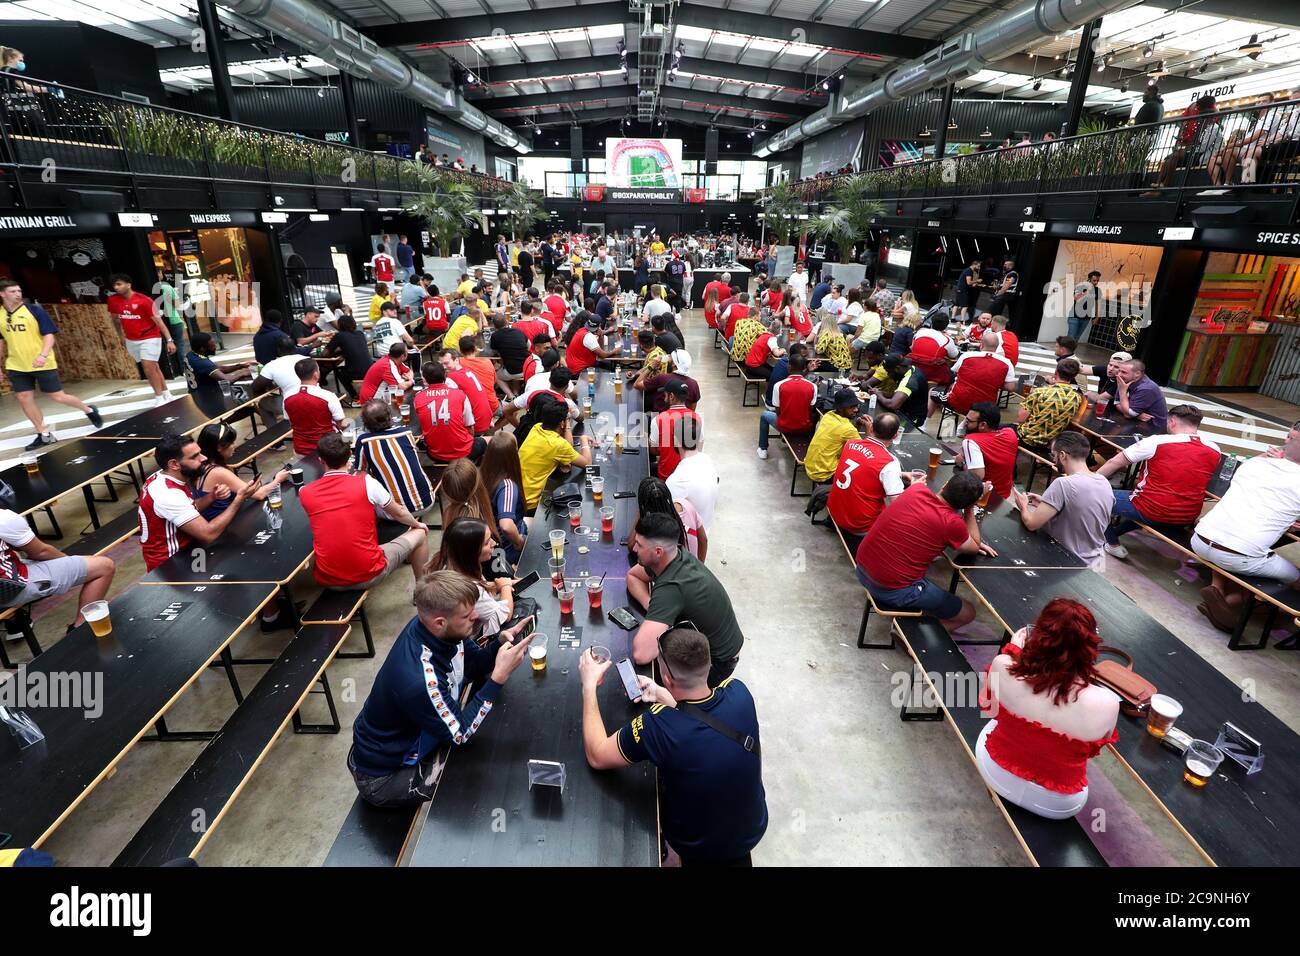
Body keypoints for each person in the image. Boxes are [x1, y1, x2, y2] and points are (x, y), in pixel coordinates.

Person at [579, 628, 767, 866]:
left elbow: (597, 754)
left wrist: (588, 686)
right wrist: (659, 693)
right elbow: (703, 717)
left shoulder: (659, 725)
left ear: (667, 678)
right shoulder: (739, 692)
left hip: (697, 847)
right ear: (708, 666)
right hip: (750, 830)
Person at [348, 571, 534, 807]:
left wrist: (498, 643)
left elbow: (473, 663)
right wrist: (498, 677)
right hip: (383, 777)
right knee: (485, 778)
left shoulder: (437, 632)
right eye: (467, 615)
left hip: (404, 740)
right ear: (440, 622)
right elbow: (461, 734)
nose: (476, 617)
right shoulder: (419, 680)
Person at [976, 599, 1119, 820]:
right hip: (1059, 805)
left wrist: (1015, 651)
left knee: (997, 720)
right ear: (1091, 648)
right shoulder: (1107, 702)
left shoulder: (1002, 665)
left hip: (996, 773)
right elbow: (1089, 752)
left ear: (1037, 637)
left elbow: (988, 708)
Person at [855, 471, 995, 633]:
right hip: (888, 589)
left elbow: (928, 507)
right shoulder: (952, 523)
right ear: (966, 505)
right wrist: (970, 509)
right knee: (968, 613)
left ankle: (923, 613)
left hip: (861, 568)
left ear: (944, 486)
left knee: (931, 565)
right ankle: (907, 634)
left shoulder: (916, 491)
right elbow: (975, 546)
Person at [1191, 425, 1300, 631]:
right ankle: (1232, 601)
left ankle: (1218, 591)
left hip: (1200, 539)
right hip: (1238, 555)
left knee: (1235, 546)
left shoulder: (1254, 465)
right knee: (1295, 577)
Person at [627, 512, 745, 686]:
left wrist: (657, 612)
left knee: (654, 690)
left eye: (639, 545)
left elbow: (641, 654)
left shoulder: (672, 587)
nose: (634, 548)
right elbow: (633, 576)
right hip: (721, 642)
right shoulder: (675, 556)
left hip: (718, 661)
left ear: (658, 552)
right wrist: (651, 605)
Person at [301, 433, 429, 588]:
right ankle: (422, 590)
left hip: (328, 579)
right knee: (420, 534)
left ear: (320, 460)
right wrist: (417, 524)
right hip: (369, 573)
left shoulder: (305, 492)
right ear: (349, 456)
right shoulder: (367, 483)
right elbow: (399, 512)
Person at [1096, 404, 1221, 560]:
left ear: (1172, 421)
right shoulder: (1215, 449)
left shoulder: (1157, 441)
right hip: (1187, 515)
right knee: (1146, 507)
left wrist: (1090, 482)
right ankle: (1114, 533)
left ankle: (1112, 543)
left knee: (1098, 497)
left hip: (1154, 509)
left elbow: (1114, 463)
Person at [0, 279, 103, 447]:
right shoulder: (0, 315)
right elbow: (1, 341)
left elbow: (49, 335)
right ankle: (43, 433)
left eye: (19, 291)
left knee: (58, 396)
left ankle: (88, 409)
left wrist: (43, 355)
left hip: (42, 362)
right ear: (2, 294)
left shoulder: (34, 310)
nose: (18, 294)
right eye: (13, 292)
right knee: (24, 397)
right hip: (16, 364)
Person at [138, 433, 257, 571]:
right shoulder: (168, 494)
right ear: (174, 464)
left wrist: (212, 497)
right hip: (173, 564)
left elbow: (188, 508)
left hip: (186, 550)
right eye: (195, 457)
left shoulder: (162, 476)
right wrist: (238, 499)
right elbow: (209, 535)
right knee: (245, 558)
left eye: (200, 453)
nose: (204, 458)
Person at [0, 506, 114, 630]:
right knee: (104, 566)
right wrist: (68, 562)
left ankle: (15, 625)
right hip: (9, 590)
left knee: (14, 556)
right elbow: (41, 552)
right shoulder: (4, 518)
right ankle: (80, 629)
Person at [1012, 431, 1114, 569]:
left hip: (1066, 560)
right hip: (1095, 561)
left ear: (1062, 455)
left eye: (1053, 455)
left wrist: (1023, 505)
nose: (1054, 460)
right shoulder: (1103, 482)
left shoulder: (1063, 484)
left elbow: (1032, 524)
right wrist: (1047, 502)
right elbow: (1083, 509)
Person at [828, 412, 923, 547]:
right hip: (859, 526)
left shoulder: (850, 443)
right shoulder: (889, 462)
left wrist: (899, 474)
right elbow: (898, 504)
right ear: (895, 435)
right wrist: (915, 487)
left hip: (835, 512)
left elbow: (864, 467)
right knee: (911, 519)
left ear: (871, 428)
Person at [430, 516, 514, 640]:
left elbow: (484, 586)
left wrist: (506, 583)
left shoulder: (454, 565)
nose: (494, 543)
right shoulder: (466, 589)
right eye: (486, 543)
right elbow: (504, 616)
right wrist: (506, 587)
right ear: (470, 551)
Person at [353, 400, 436, 516]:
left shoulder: (363, 441)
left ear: (365, 423)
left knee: (364, 499)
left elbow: (360, 475)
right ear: (390, 416)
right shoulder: (406, 432)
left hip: (396, 513)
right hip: (427, 501)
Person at [107, 273, 176, 407]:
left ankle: (159, 397)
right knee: (154, 367)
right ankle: (166, 393)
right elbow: (115, 319)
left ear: (128, 285)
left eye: (119, 284)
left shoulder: (144, 300)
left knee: (148, 368)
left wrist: (169, 340)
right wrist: (120, 336)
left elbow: (159, 322)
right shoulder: (113, 300)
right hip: (131, 339)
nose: (116, 287)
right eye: (114, 285)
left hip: (150, 337)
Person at [518, 398, 592, 512]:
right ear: (562, 423)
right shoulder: (558, 444)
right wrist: (584, 440)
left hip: (518, 495)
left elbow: (565, 447)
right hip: (532, 503)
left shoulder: (536, 428)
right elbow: (587, 464)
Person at [933, 330, 1016, 418]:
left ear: (981, 345)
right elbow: (1010, 387)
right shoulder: (1007, 362)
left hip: (959, 403)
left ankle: (923, 424)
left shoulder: (967, 356)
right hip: (985, 408)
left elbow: (954, 371)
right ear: (997, 346)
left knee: (933, 391)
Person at [414, 360, 483, 464]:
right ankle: (471, 469)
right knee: (483, 441)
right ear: (445, 376)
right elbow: (470, 427)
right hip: (463, 453)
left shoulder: (418, 398)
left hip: (435, 454)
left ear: (424, 379)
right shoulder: (460, 395)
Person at [1016, 358, 1083, 454]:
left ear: (1056, 372)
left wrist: (1027, 401)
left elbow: (1020, 419)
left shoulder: (1040, 392)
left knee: (997, 428)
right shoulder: (1077, 398)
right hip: (1049, 444)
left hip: (1026, 439)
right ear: (1074, 376)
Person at [480, 432, 528, 564]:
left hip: (491, 541)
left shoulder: (483, 474)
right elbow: (506, 525)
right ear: (512, 455)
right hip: (506, 546)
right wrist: (519, 542)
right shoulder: (507, 486)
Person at [665, 417, 719, 534]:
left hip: (688, 542)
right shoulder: (707, 460)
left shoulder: (676, 481)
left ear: (676, 441)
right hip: (704, 532)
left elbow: (667, 524)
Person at [757, 353, 815, 460]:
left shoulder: (779, 385)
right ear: (803, 368)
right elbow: (810, 410)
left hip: (785, 427)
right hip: (804, 428)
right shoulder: (813, 386)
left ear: (789, 367)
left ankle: (763, 448)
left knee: (765, 415)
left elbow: (778, 411)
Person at [804, 388, 867, 485]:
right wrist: (870, 430)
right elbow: (864, 451)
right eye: (851, 407)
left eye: (856, 406)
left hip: (811, 466)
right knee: (863, 468)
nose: (856, 410)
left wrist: (857, 425)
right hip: (824, 474)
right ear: (841, 408)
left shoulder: (828, 415)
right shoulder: (847, 428)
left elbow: (847, 437)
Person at [284, 358, 345, 456]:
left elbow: (289, 420)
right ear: (316, 374)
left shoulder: (287, 396)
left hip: (300, 449)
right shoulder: (328, 396)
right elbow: (340, 423)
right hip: (327, 449)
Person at [959, 402, 1019, 500]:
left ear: (983, 425)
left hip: (983, 496)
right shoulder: (1010, 433)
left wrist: (963, 462)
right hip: (1004, 497)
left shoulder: (971, 441)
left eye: (969, 421)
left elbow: (976, 477)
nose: (965, 424)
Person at [650, 380, 702, 481]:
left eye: (665, 395)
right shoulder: (698, 418)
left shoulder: (658, 419)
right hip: (690, 476)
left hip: (665, 476)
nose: (664, 398)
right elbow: (698, 448)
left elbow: (654, 451)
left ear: (671, 396)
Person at [184, 332, 253, 402]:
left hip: (196, 395)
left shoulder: (191, 354)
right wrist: (242, 373)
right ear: (202, 348)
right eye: (212, 345)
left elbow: (217, 369)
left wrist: (239, 366)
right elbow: (226, 380)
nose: (215, 347)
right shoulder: (203, 363)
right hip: (207, 398)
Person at [871, 355, 931, 428]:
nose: (888, 375)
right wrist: (882, 393)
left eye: (889, 372)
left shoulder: (909, 381)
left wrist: (878, 394)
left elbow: (893, 405)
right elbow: (898, 394)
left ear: (897, 368)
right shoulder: (911, 369)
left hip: (911, 419)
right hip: (906, 411)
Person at [323, 314, 371, 404]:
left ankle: (354, 395)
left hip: (357, 373)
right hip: (370, 370)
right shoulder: (360, 334)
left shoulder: (339, 336)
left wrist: (338, 349)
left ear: (340, 325)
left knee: (338, 371)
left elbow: (324, 354)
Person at [1114, 358, 1168, 431]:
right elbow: (1117, 403)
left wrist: (1122, 392)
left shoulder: (1146, 388)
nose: (1119, 375)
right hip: (1137, 423)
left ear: (1137, 374)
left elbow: (1128, 414)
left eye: (1124, 372)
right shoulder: (1125, 381)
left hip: (1153, 428)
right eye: (1119, 371)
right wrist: (1136, 415)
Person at [908, 313, 959, 386]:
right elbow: (954, 355)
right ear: (946, 326)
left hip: (913, 367)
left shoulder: (920, 332)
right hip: (932, 372)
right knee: (953, 377)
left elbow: (912, 347)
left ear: (931, 322)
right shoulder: (947, 339)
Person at [458, 335, 499, 415]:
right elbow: (494, 382)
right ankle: (491, 428)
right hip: (491, 405)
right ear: (476, 348)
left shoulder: (457, 364)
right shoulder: (487, 362)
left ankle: (485, 427)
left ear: (460, 350)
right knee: (514, 411)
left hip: (469, 408)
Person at [1069, 270, 1102, 342]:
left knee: (1076, 339)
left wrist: (1097, 317)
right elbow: (1077, 299)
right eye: (1094, 280)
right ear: (1089, 279)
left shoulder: (1098, 290)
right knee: (1070, 338)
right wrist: (1087, 291)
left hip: (1086, 318)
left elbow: (1097, 304)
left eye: (1097, 280)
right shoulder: (1080, 286)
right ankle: (1065, 352)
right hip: (1075, 317)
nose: (1096, 282)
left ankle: (1070, 353)